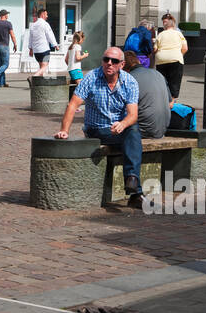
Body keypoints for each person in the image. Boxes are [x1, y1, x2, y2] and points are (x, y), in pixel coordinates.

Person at [55, 46, 144, 208]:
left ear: (122, 65)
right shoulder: (91, 78)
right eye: (106, 60)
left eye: (114, 61)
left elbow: (133, 115)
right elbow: (73, 104)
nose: (109, 63)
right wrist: (64, 130)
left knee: (133, 130)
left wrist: (122, 124)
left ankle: (132, 181)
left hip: (118, 130)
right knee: (133, 137)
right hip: (96, 130)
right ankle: (136, 191)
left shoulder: (130, 82)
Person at [123, 49, 173, 139]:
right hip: (162, 129)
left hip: (142, 131)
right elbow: (170, 104)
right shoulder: (158, 74)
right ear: (138, 61)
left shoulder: (129, 79)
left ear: (123, 68)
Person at [153, 13, 188, 99]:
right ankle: (171, 102)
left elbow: (155, 49)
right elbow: (185, 48)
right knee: (174, 82)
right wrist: (179, 55)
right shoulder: (179, 34)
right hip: (175, 59)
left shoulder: (160, 35)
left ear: (165, 26)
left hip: (161, 60)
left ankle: (163, 100)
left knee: (163, 81)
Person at [27, 6, 59, 77]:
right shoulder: (45, 24)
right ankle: (33, 77)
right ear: (42, 15)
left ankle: (39, 84)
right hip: (44, 50)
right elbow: (50, 35)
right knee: (44, 67)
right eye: (46, 14)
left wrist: (30, 49)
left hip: (36, 51)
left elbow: (30, 38)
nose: (47, 16)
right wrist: (55, 45)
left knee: (41, 68)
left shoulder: (33, 25)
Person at [65, 30, 87, 97]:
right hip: (76, 69)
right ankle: (76, 103)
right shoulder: (77, 46)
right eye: (83, 40)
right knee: (81, 86)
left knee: (74, 87)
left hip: (71, 69)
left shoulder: (71, 47)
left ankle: (72, 104)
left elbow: (66, 59)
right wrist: (84, 55)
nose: (82, 41)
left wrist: (70, 66)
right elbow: (78, 58)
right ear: (80, 39)